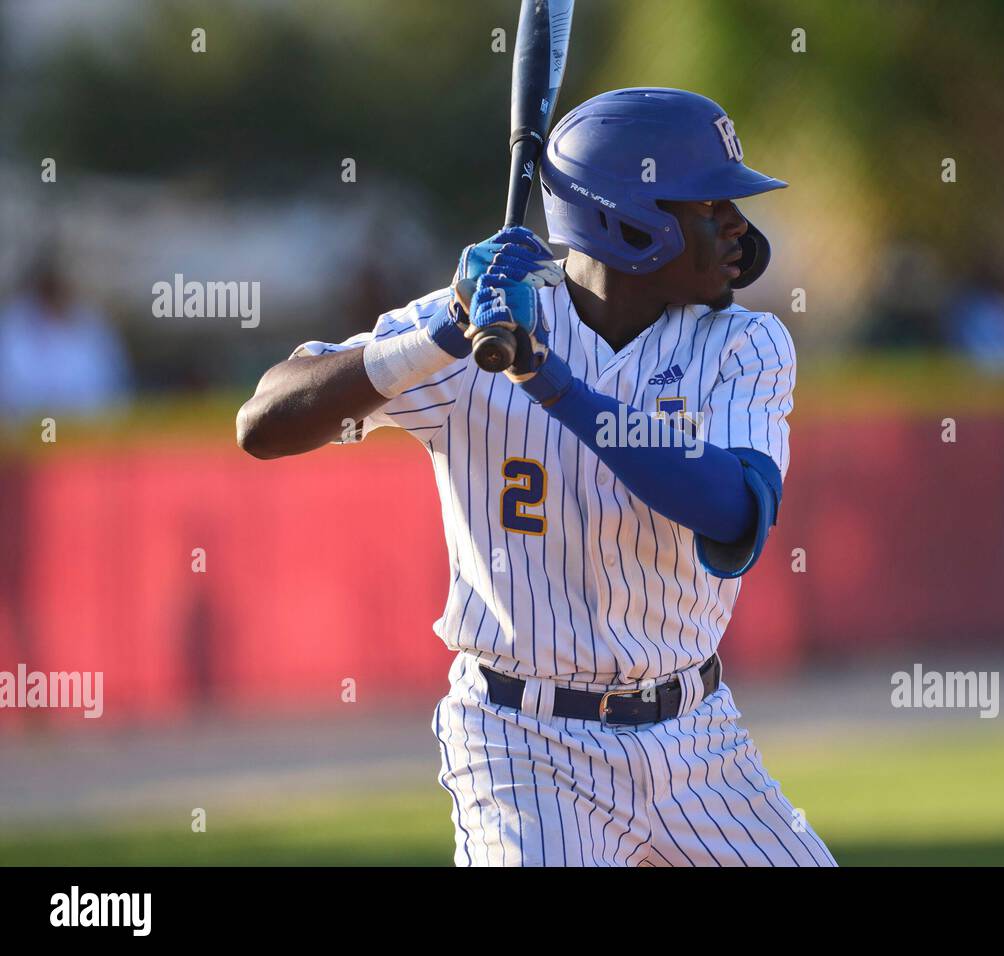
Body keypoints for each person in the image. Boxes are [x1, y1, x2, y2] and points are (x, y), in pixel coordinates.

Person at [236, 88, 835, 867]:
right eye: (709, 201)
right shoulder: (475, 331)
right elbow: (265, 424)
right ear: (630, 222)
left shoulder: (744, 344)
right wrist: (443, 329)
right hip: (525, 745)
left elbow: (731, 514)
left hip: (697, 738)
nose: (737, 225)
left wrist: (548, 380)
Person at [0, 257, 130, 417]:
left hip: (88, 429)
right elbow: (12, 393)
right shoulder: (13, 328)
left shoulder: (91, 325)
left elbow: (113, 386)